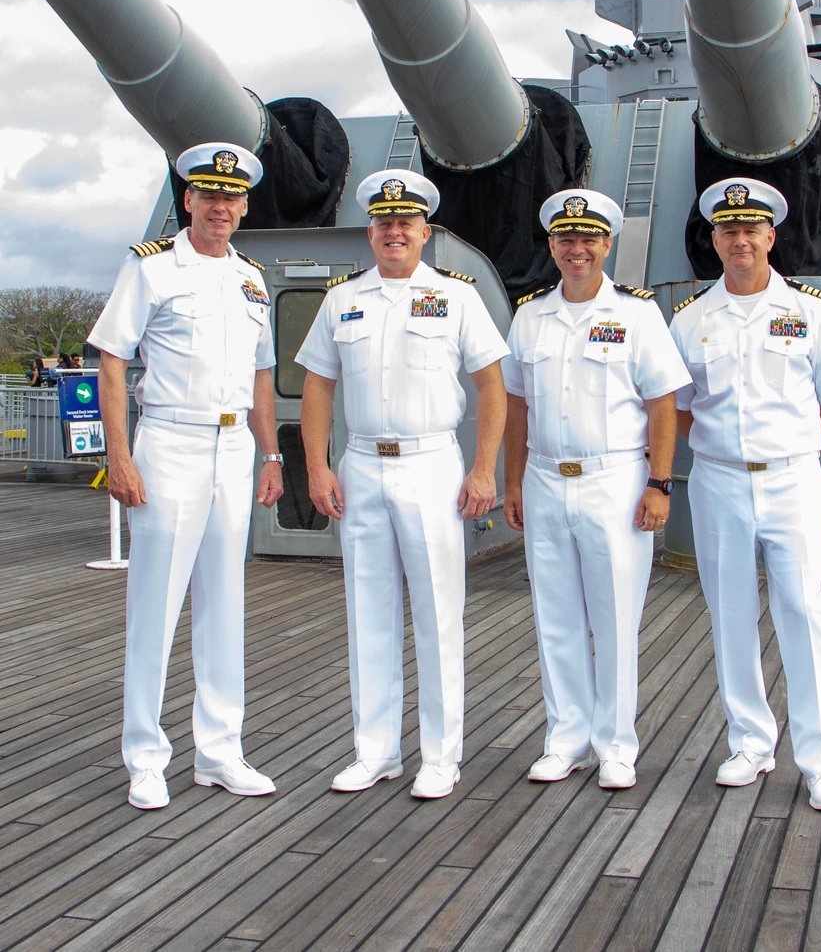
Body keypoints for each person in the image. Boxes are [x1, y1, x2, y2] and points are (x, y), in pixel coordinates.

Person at [297, 169, 509, 801]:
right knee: (369, 612)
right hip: (361, 463)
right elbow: (317, 385)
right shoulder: (342, 299)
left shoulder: (457, 297)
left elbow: (492, 386)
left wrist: (483, 468)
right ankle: (376, 751)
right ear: (371, 231)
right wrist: (316, 464)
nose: (395, 231)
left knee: (440, 613)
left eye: (406, 223)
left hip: (431, 465)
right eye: (384, 223)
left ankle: (441, 757)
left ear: (425, 231)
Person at [90, 142, 283, 812]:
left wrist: (273, 454)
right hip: (168, 441)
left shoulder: (251, 279)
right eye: (209, 195)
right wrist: (120, 455)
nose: (221, 207)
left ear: (244, 204)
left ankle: (219, 751)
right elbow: (112, 359)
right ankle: (145, 756)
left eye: (233, 198)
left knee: (224, 603)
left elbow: (261, 373)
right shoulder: (149, 269)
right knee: (155, 605)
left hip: (235, 449)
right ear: (190, 201)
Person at [669, 178, 821, 813]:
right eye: (728, 231)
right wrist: (726, 451)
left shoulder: (811, 311)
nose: (740, 239)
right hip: (719, 479)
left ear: (770, 236)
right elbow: (677, 409)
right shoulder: (692, 319)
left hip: (792, 478)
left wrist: (796, 451)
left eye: (751, 229)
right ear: (716, 240)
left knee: (804, 613)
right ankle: (751, 742)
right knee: (729, 613)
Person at [502, 189, 691, 790]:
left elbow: (664, 403)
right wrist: (512, 483)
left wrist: (659, 483)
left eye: (588, 239)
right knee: (553, 615)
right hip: (544, 476)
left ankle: (615, 744)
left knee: (613, 618)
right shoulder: (530, 315)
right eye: (565, 239)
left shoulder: (636, 315)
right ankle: (566, 739)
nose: (576, 249)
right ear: (552, 245)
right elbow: (515, 405)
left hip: (615, 478)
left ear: (607, 244)